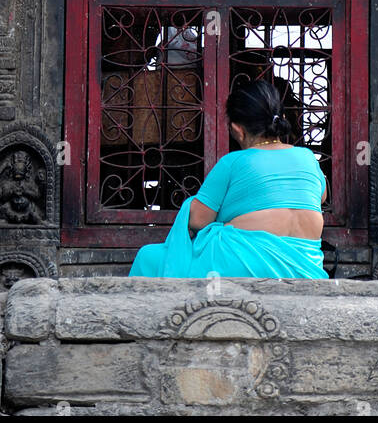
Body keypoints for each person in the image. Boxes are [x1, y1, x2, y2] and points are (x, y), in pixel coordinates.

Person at [128, 78, 328, 278]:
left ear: (237, 129)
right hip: (306, 268)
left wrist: (208, 207)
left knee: (148, 257)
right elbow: (319, 198)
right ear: (281, 117)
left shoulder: (234, 162)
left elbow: (198, 220)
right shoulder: (308, 158)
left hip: (242, 262)